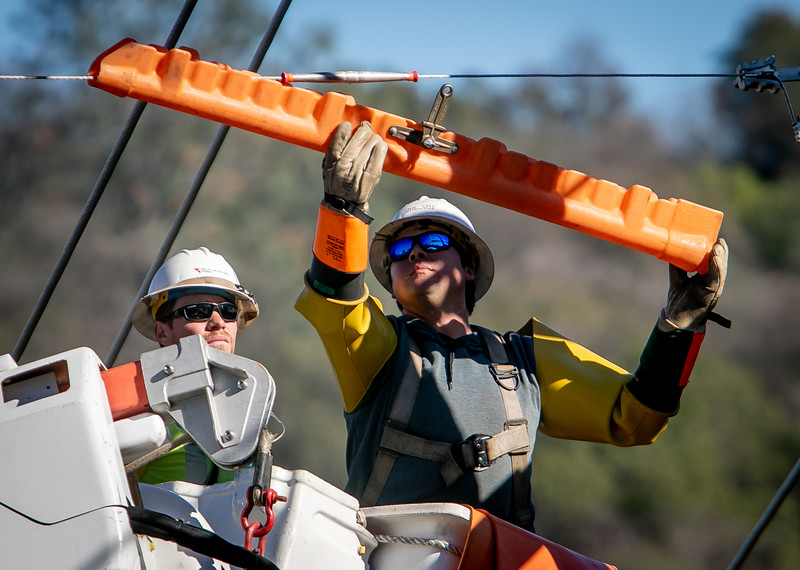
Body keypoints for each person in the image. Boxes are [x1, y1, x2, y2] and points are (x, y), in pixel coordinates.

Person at [295, 121, 729, 530]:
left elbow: (636, 417)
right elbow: (337, 295)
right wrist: (342, 212)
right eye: (401, 248)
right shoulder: (379, 350)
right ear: (389, 285)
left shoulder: (527, 360)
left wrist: (679, 326)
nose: (413, 253)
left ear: (467, 267)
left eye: (432, 242)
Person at [131, 246, 259, 485]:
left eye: (228, 311)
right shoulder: (137, 411)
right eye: (198, 311)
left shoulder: (249, 410)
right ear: (162, 332)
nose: (218, 322)